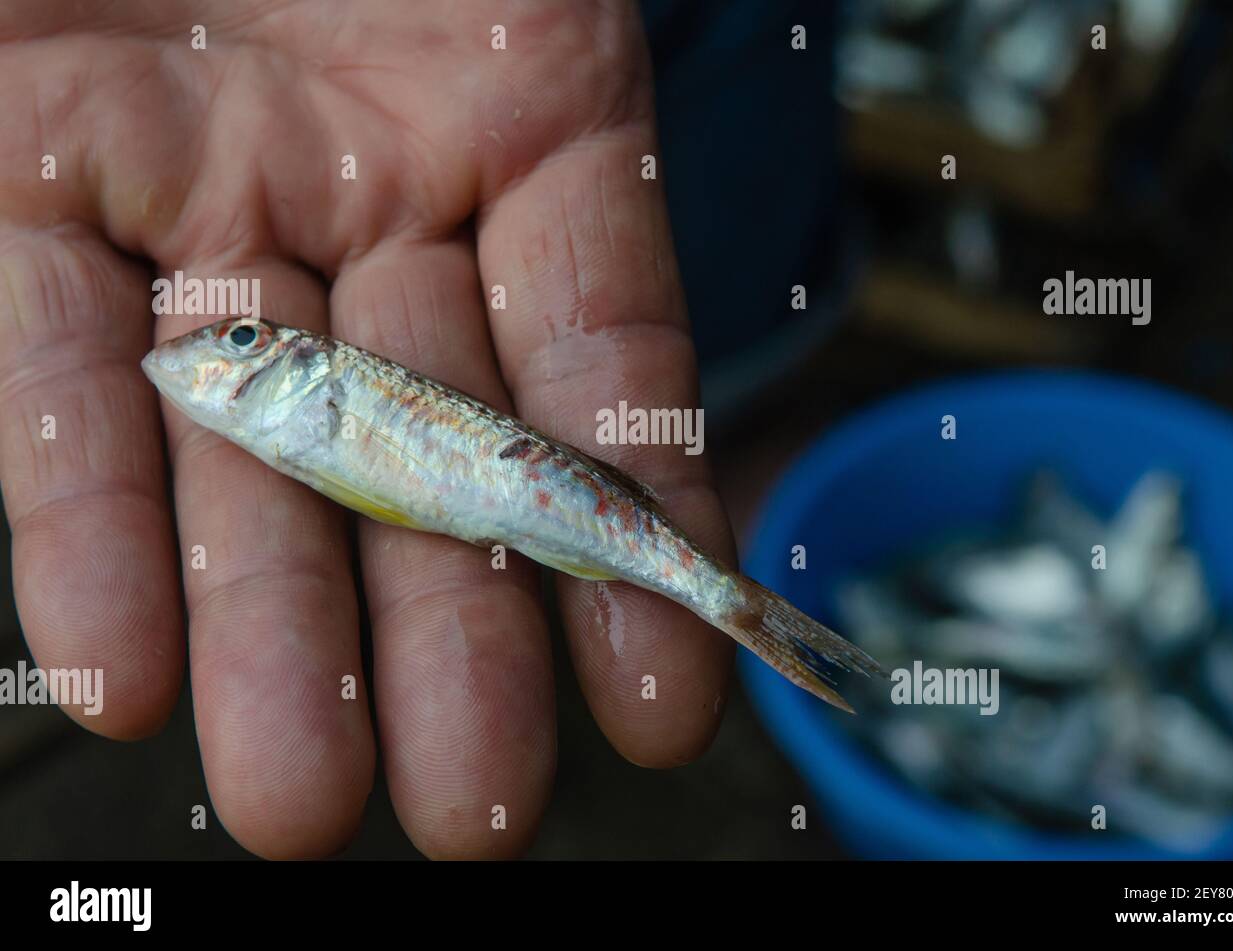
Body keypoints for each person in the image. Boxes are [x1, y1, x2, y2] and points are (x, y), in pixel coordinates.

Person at [0, 1, 742, 859]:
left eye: (246, 337)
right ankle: (725, 571)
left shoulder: (315, 382)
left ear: (296, 364)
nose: (229, 348)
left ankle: (721, 584)